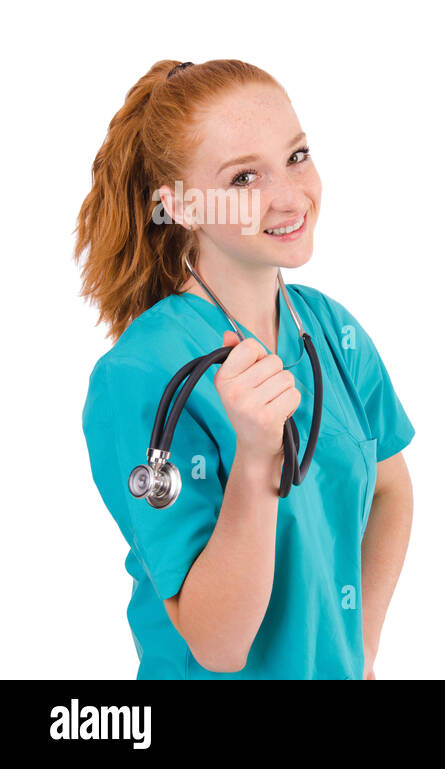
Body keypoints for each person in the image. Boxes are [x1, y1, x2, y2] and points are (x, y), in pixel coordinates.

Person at [77, 59, 416, 679]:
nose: (289, 196)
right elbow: (218, 645)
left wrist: (360, 646)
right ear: (177, 206)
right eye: (242, 179)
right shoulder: (141, 375)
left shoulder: (331, 332)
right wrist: (257, 456)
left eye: (296, 155)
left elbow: (392, 486)